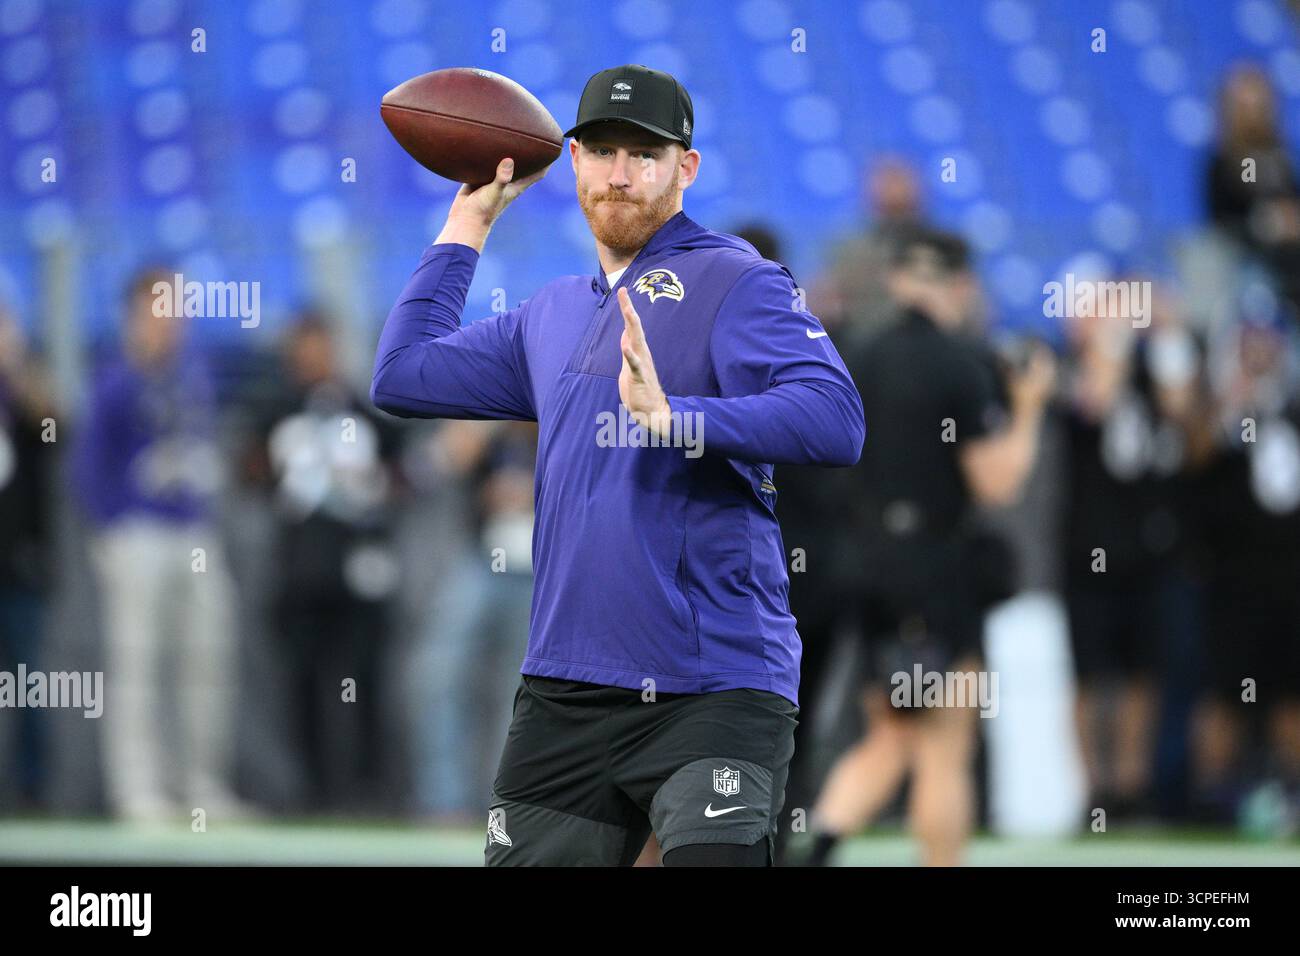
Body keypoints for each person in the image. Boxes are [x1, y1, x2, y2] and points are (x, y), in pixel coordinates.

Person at [371, 64, 865, 866]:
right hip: (565, 686)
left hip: (713, 686)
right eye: (601, 151)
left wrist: (679, 419)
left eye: (645, 153)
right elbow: (400, 373)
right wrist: (468, 223)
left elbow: (836, 419)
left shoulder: (735, 279)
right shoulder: (554, 311)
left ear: (686, 167)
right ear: (570, 161)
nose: (621, 174)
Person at [800, 227, 1054, 867]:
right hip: (937, 574)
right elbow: (996, 483)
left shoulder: (858, 354)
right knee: (943, 747)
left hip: (869, 568)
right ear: (961, 284)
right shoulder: (963, 364)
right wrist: (1028, 409)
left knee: (889, 736)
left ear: (896, 279)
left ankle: (818, 848)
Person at [72, 269, 243, 822]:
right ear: (134, 316)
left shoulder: (193, 377)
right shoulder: (115, 381)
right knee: (137, 663)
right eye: (160, 308)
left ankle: (201, 786)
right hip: (138, 535)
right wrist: (112, 532)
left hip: (192, 531)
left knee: (206, 660)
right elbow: (88, 468)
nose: (172, 320)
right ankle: (137, 790)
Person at [246, 313, 400, 812]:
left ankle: (366, 786)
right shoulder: (275, 409)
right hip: (301, 571)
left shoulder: (364, 406)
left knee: (364, 682)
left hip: (357, 570)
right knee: (303, 685)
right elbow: (249, 471)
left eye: (321, 346)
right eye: (304, 348)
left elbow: (399, 476)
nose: (313, 357)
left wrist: (370, 487)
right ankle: (310, 789)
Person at [0, 307, 58, 810]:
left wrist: (17, 371)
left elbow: (56, 429)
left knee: (26, 684)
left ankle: (31, 790)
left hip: (17, 563)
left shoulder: (22, 399)